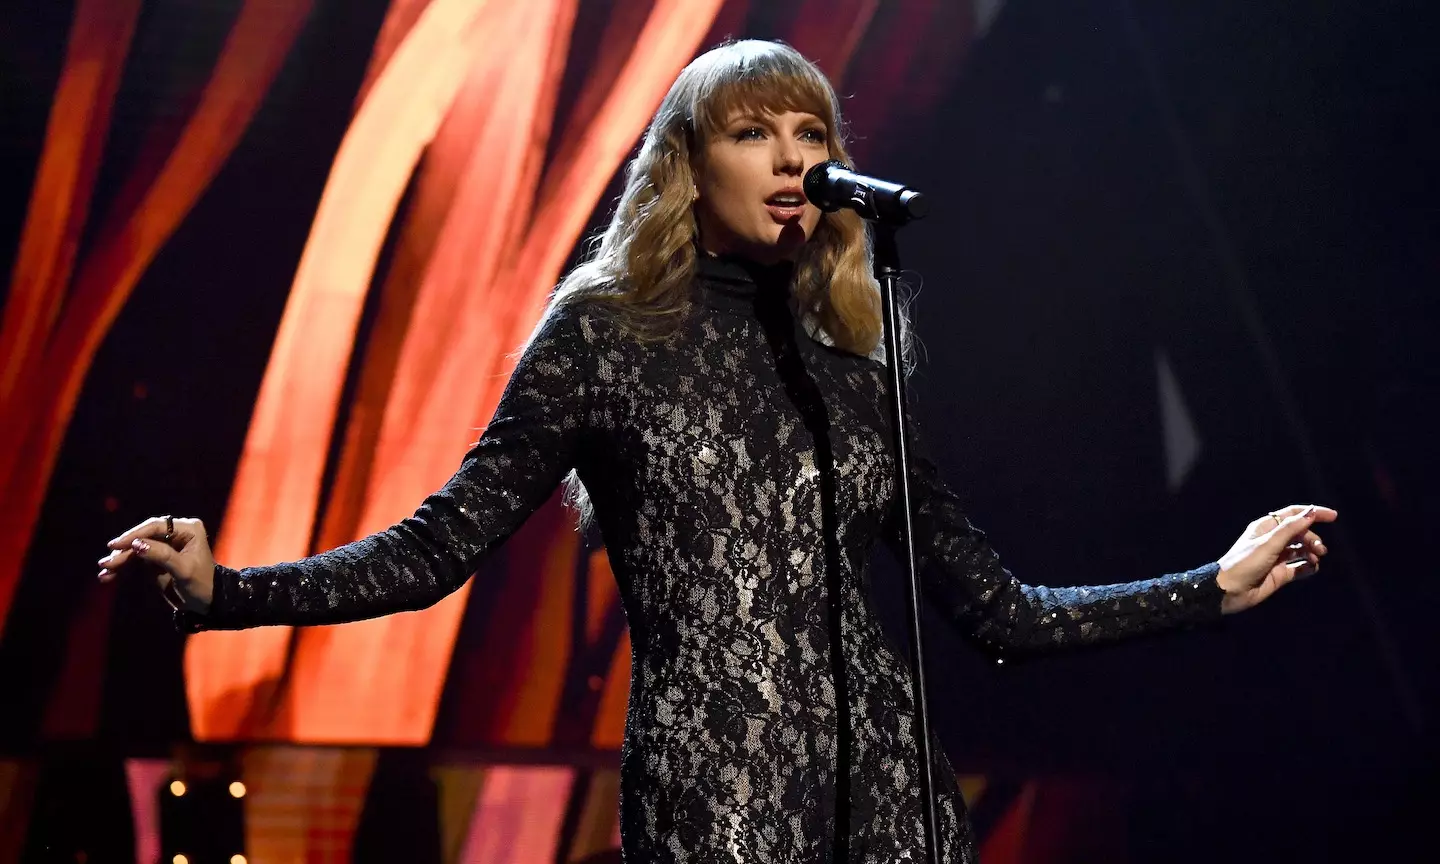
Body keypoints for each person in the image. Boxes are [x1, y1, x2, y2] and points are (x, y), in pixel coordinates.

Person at [97, 40, 1335, 863]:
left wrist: (1210, 589)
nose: (795, 154)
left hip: (892, 797)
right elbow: (439, 546)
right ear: (689, 165)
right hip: (717, 799)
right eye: (756, 131)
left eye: (811, 128)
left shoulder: (855, 367)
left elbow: (997, 611)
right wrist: (225, 595)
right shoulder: (606, 334)